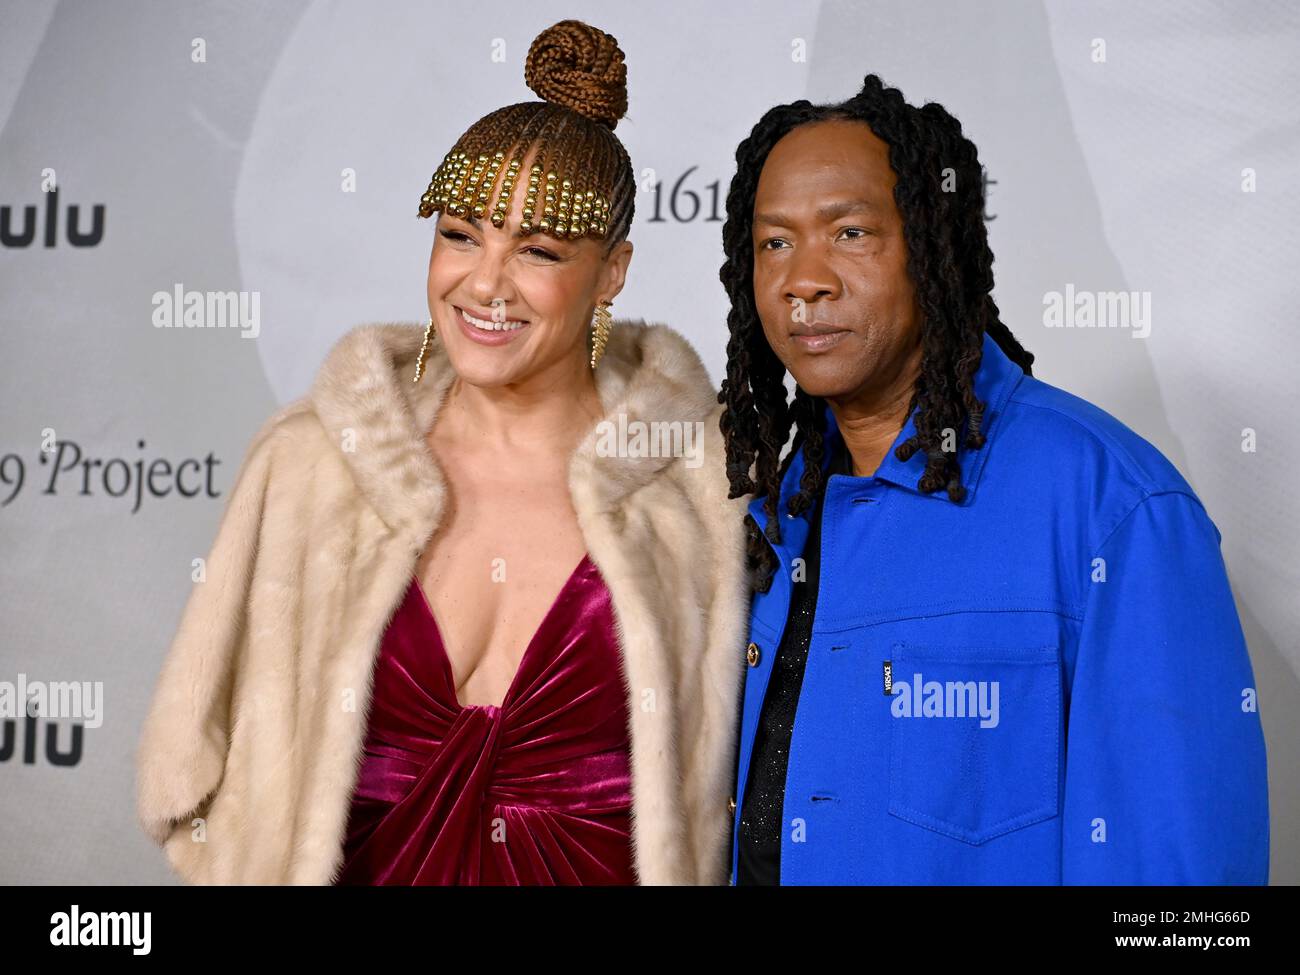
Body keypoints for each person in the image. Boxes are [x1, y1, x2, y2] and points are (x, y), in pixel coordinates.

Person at [135, 19, 750, 885]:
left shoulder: (702, 481)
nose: (485, 283)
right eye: (461, 234)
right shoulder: (314, 464)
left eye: (538, 251)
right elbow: (186, 771)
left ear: (612, 272)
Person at [717, 74, 1270, 884]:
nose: (805, 279)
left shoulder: (1112, 505)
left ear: (933, 242)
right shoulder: (769, 509)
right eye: (775, 242)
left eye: (850, 232)